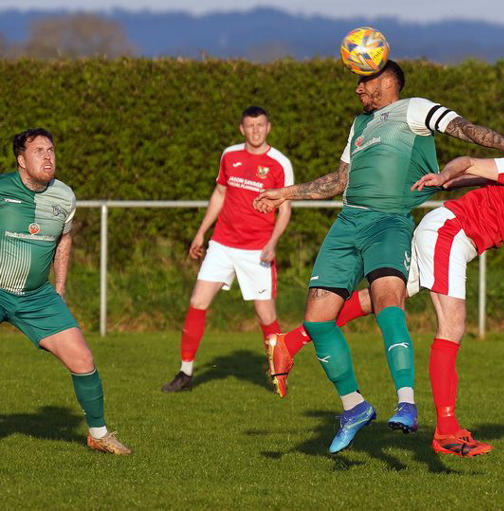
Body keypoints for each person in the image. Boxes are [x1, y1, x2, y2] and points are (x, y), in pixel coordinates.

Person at [255, 60, 504, 454]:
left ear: (387, 81)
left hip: (389, 223)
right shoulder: (359, 126)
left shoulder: (413, 108)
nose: (358, 90)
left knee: (387, 300)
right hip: (347, 223)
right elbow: (338, 182)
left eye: (364, 81)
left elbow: (464, 128)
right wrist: (284, 193)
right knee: (318, 319)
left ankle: (407, 404)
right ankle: (354, 407)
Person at [1, 128, 131, 454]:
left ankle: (98, 435)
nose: (48, 157)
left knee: (83, 359)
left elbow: (65, 239)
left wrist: (59, 286)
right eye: (39, 151)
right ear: (21, 159)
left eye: (52, 150)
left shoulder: (63, 195)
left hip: (36, 296)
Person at [162, 106, 293, 392]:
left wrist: (273, 243)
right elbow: (220, 193)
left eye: (260, 125)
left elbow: (284, 210)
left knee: (265, 315)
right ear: (241, 129)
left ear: (268, 127)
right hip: (221, 244)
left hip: (257, 250)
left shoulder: (279, 163)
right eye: (250, 125)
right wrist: (200, 233)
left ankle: (279, 372)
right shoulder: (229, 155)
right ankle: (185, 373)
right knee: (198, 301)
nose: (255, 130)